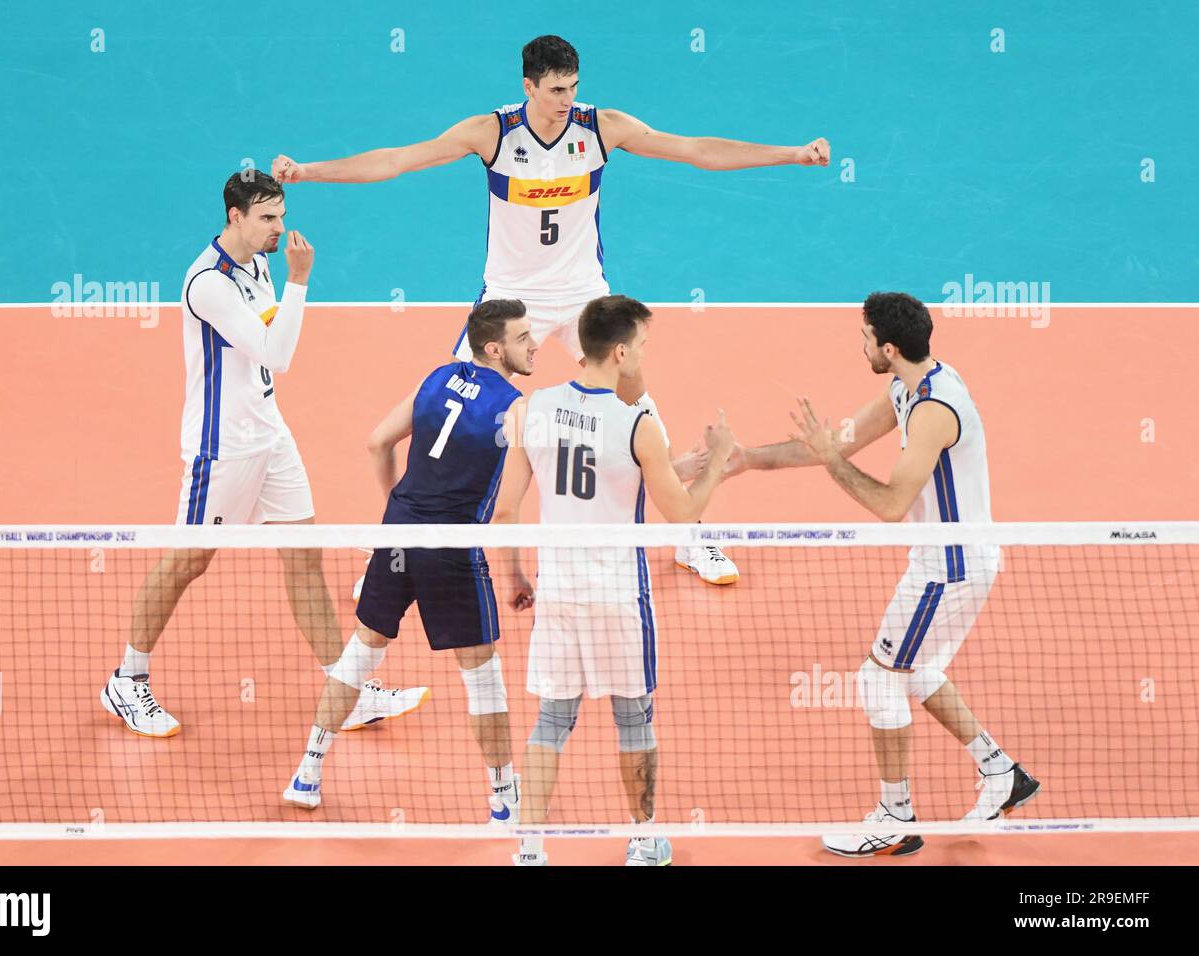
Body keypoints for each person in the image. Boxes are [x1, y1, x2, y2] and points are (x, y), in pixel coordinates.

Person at [271, 35, 828, 587]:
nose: (567, 100)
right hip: (510, 303)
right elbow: (395, 161)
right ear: (528, 86)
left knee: (642, 410)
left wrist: (791, 154)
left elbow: (695, 150)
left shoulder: (600, 128)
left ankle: (690, 536)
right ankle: (397, 546)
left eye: (573, 88)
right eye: (556, 89)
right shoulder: (491, 133)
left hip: (586, 293)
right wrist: (309, 171)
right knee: (446, 412)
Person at [101, 172, 427, 739]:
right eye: (267, 219)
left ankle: (343, 690)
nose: (280, 228)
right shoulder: (207, 284)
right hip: (221, 447)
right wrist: (302, 281)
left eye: (280, 215)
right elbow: (278, 355)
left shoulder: (257, 262)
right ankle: (127, 680)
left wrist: (285, 282)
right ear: (235, 217)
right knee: (188, 561)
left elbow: (265, 336)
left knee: (303, 556)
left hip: (270, 435)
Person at [727, 291, 1039, 857]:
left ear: (889, 347)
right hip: (947, 562)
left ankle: (895, 816)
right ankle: (1003, 773)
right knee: (914, 672)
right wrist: (748, 459)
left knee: (878, 677)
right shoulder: (907, 386)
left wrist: (832, 461)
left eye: (866, 338)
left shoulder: (933, 411)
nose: (861, 346)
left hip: (951, 567)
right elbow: (837, 444)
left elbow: (892, 503)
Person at [490, 295, 736, 866]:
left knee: (552, 720)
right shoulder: (638, 423)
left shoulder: (534, 407)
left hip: (557, 590)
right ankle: (644, 839)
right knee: (633, 718)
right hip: (619, 597)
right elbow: (680, 514)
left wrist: (517, 575)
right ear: (621, 351)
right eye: (643, 347)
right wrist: (719, 460)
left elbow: (505, 512)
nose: (643, 355)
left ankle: (529, 849)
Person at [283, 300, 537, 821]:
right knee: (482, 675)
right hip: (450, 551)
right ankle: (504, 797)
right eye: (524, 337)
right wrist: (515, 575)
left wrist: (393, 507)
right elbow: (508, 510)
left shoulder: (436, 377)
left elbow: (377, 441)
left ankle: (308, 771)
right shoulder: (514, 409)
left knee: (362, 651)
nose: (534, 344)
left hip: (397, 535)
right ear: (495, 348)